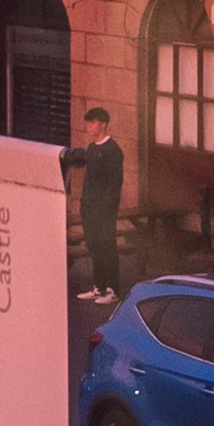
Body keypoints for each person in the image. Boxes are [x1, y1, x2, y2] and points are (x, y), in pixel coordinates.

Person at [71, 103, 126, 302]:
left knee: (107, 246)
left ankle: (112, 289)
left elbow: (115, 182)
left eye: (93, 123)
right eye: (88, 123)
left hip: (104, 208)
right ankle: (99, 286)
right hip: (89, 205)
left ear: (103, 125)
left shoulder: (113, 150)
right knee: (94, 245)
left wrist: (108, 206)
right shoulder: (92, 148)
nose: (89, 127)